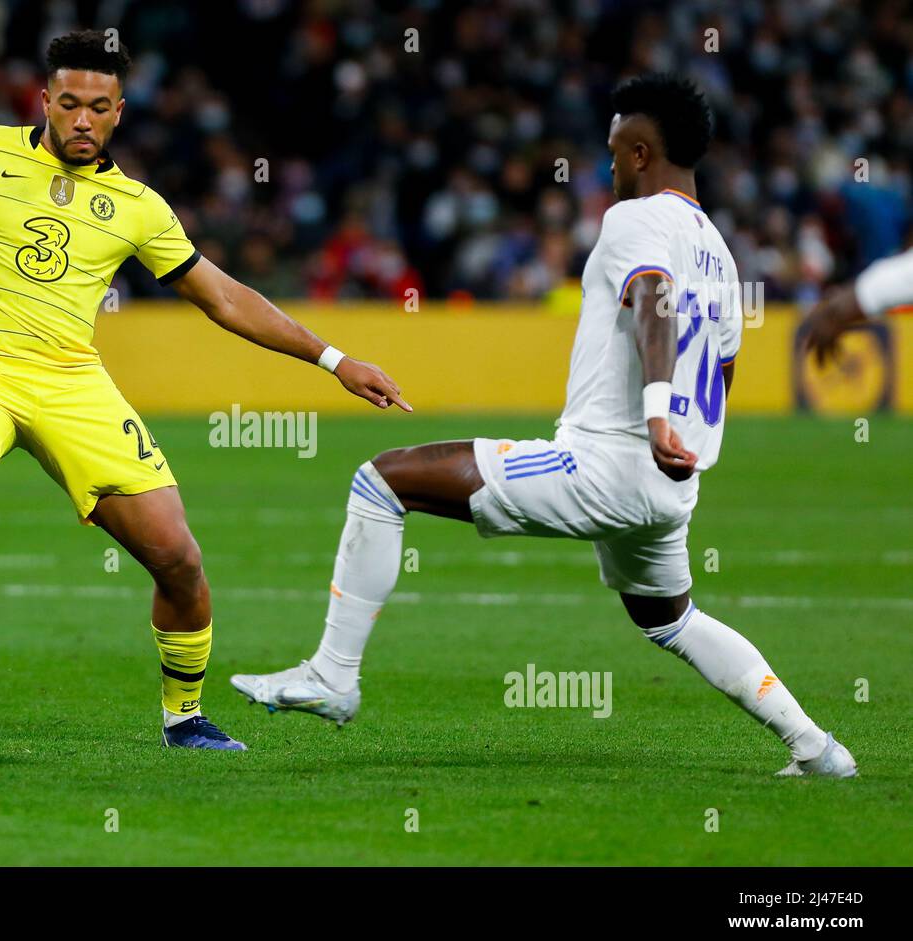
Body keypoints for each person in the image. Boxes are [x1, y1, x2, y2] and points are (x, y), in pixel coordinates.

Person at [0, 30, 409, 752]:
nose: (82, 120)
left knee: (177, 559)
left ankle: (184, 716)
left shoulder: (138, 207)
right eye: (68, 104)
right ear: (43, 102)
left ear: (120, 111)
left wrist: (334, 359)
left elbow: (224, 298)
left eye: (98, 107)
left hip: (70, 383)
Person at [232, 74, 856, 777]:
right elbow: (722, 371)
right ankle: (817, 748)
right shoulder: (719, 249)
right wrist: (682, 439)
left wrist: (653, 418)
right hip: (670, 486)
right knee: (670, 619)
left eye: (616, 150)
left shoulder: (635, 219)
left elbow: (651, 300)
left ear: (644, 152)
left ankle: (333, 676)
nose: (609, 163)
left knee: (382, 480)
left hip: (608, 463)